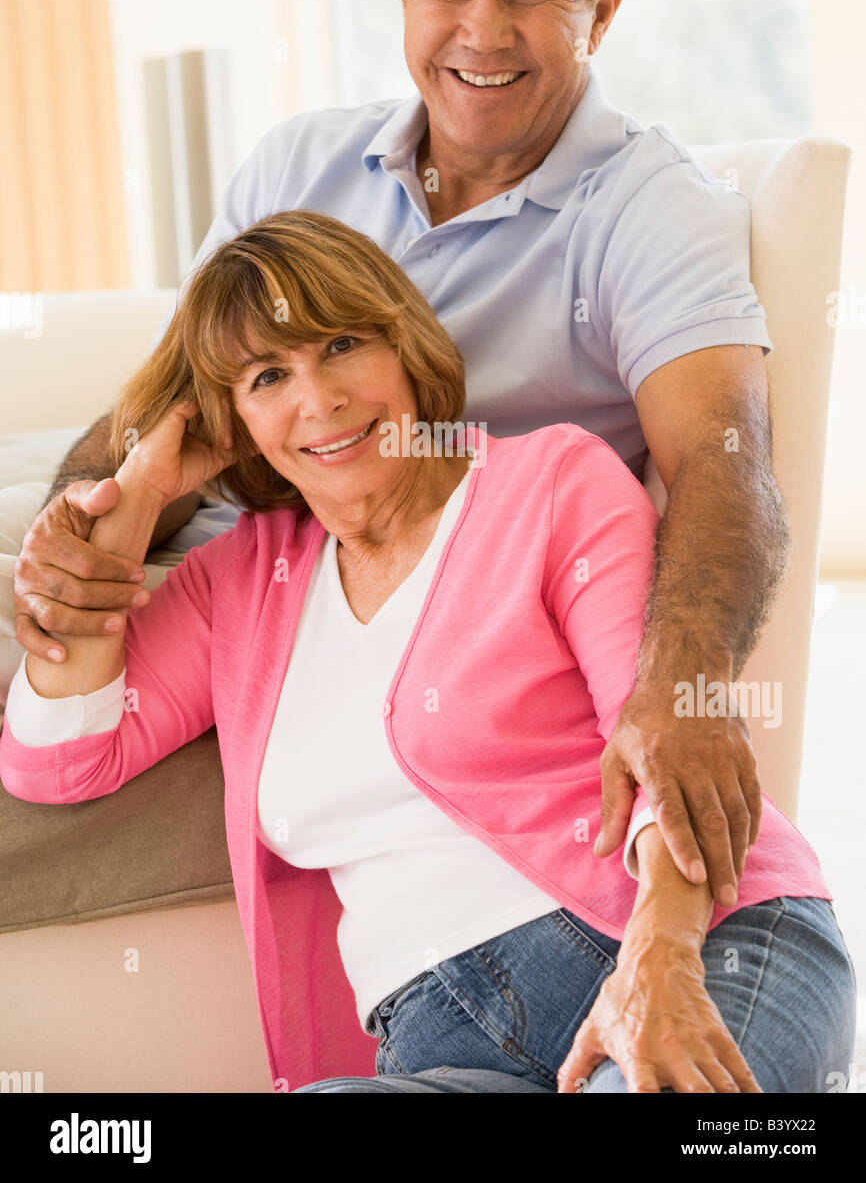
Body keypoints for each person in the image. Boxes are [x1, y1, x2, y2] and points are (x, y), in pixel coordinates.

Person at [14, 0, 786, 911]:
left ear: (601, 9)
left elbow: (721, 467)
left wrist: (685, 692)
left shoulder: (649, 208)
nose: (481, 30)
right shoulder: (298, 162)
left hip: (397, 614)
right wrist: (82, 531)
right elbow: (169, 404)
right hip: (234, 563)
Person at [0, 212, 855, 1093]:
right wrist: (140, 495)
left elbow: (662, 741)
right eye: (268, 377)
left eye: (341, 344)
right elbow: (59, 756)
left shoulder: (552, 482)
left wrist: (660, 959)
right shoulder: (241, 582)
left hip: (699, 944)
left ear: (403, 343)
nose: (320, 399)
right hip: (446, 1052)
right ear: (230, 421)